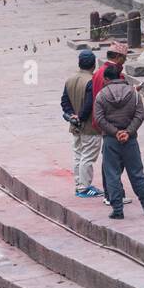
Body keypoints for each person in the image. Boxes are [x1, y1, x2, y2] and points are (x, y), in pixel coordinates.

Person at [93, 62, 144, 220]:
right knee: (137, 173)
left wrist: (115, 132)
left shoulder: (101, 96)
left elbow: (99, 118)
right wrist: (128, 132)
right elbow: (140, 115)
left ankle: (117, 209)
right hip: (130, 140)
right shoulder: (133, 94)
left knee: (112, 174)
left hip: (110, 141)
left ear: (106, 79)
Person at [62, 49, 102, 198]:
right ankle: (84, 187)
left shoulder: (70, 80)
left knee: (78, 155)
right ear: (93, 65)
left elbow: (64, 101)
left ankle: (79, 184)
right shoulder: (91, 81)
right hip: (89, 126)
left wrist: (72, 115)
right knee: (88, 157)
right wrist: (81, 117)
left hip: (74, 125)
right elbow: (89, 104)